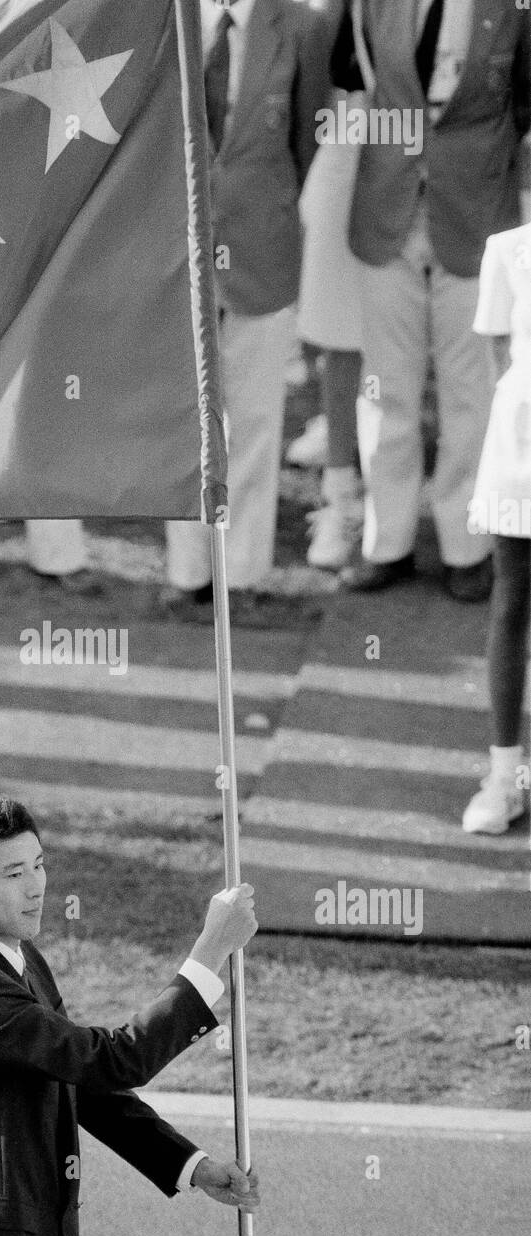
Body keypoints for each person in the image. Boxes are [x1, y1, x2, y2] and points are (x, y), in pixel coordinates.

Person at [0, 793, 261, 1236]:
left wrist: (192, 1167)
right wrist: (209, 954)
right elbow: (112, 1061)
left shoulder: (17, 953)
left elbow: (82, 1084)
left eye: (39, 865)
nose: (36, 889)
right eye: (13, 875)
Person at [332, 0, 531, 601]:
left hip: (476, 212)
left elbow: (523, 102)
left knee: (469, 387)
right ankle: (385, 541)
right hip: (386, 205)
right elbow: (345, 82)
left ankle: (467, 548)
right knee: (385, 385)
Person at [161, 0, 332, 620]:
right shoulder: (162, 17)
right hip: (176, 250)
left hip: (263, 246)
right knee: (183, 417)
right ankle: (187, 573)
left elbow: (307, 135)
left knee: (255, 420)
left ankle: (245, 574)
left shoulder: (302, 25)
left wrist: (260, 201)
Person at [462, 220, 531, 835]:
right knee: (512, 602)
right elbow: (496, 361)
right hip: (521, 453)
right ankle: (505, 775)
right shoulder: (508, 251)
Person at [296, 0, 367, 572]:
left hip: (450, 164)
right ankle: (340, 498)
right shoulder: (322, 18)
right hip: (348, 148)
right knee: (341, 340)